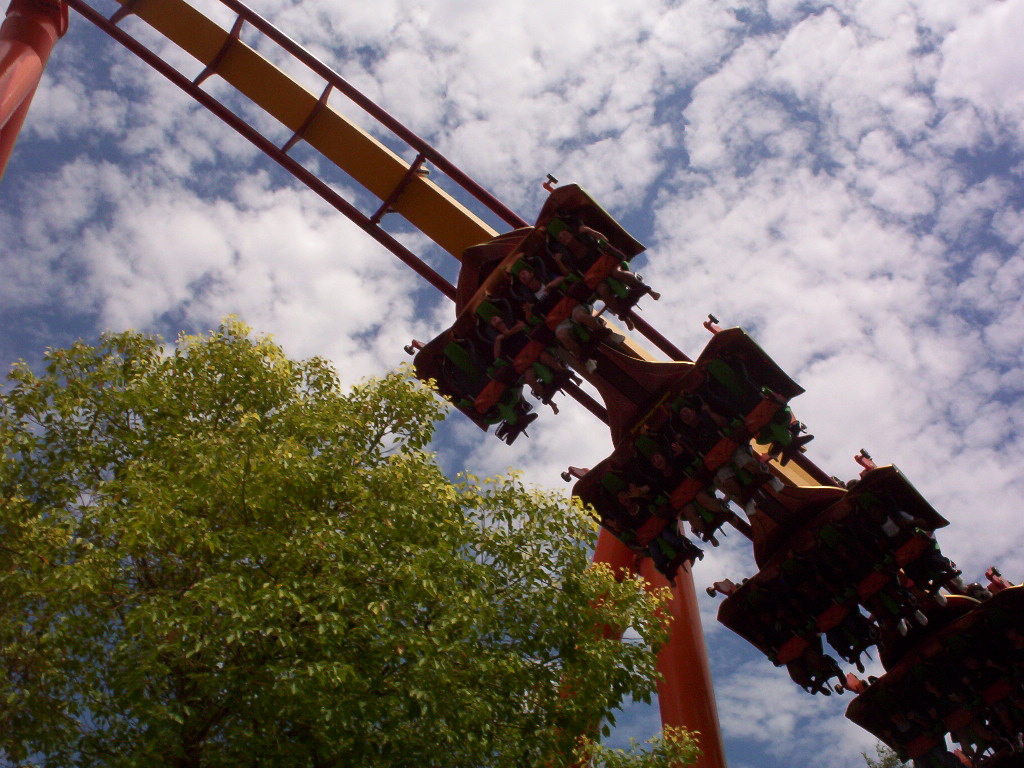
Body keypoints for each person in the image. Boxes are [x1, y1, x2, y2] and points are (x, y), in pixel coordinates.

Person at [514, 264, 610, 374]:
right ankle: (586, 360)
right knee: (561, 335)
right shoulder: (529, 298)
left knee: (579, 315)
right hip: (558, 320)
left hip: (571, 308)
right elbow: (529, 320)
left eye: (524, 274)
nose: (523, 277)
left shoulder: (546, 278)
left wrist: (551, 285)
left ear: (531, 273)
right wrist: (528, 311)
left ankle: (605, 332)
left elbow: (562, 278)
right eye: (521, 277)